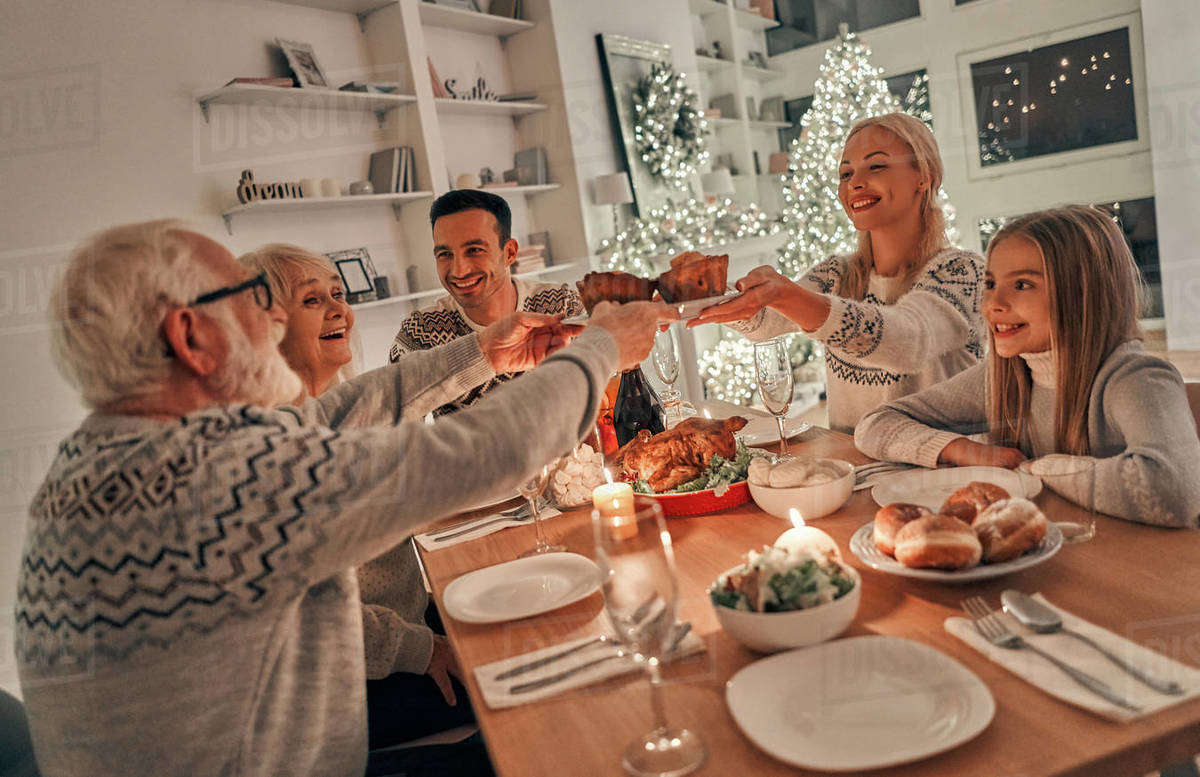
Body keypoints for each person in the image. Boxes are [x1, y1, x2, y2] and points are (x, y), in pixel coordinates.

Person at [16, 219, 675, 777]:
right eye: (250, 296)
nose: (271, 316)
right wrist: (600, 350)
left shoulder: (110, 459)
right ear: (190, 336)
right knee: (553, 740)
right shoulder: (218, 478)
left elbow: (342, 412)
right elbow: (488, 449)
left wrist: (485, 352)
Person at [238, 243, 498, 752]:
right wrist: (419, 649)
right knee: (513, 687)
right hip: (350, 678)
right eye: (312, 301)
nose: (340, 310)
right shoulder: (265, 447)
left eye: (338, 293)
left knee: (521, 626)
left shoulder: (343, 408)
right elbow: (298, 616)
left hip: (406, 623)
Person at [855, 205, 1200, 527]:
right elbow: (874, 424)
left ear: (1082, 294)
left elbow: (1176, 491)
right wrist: (962, 450)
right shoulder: (1007, 375)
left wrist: (1036, 470)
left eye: (1022, 285)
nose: (994, 304)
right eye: (990, 284)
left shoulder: (1135, 378)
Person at [690, 113, 985, 433]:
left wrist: (785, 293)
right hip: (854, 469)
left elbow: (907, 340)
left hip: (943, 475)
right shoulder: (837, 274)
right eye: (846, 173)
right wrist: (695, 290)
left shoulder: (964, 273)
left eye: (876, 166)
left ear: (923, 176)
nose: (855, 183)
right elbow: (764, 320)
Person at [389, 189, 584, 415]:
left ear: (509, 252)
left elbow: (605, 396)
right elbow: (393, 431)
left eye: (474, 250)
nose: (459, 270)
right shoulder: (421, 332)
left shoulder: (561, 306)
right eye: (445, 254)